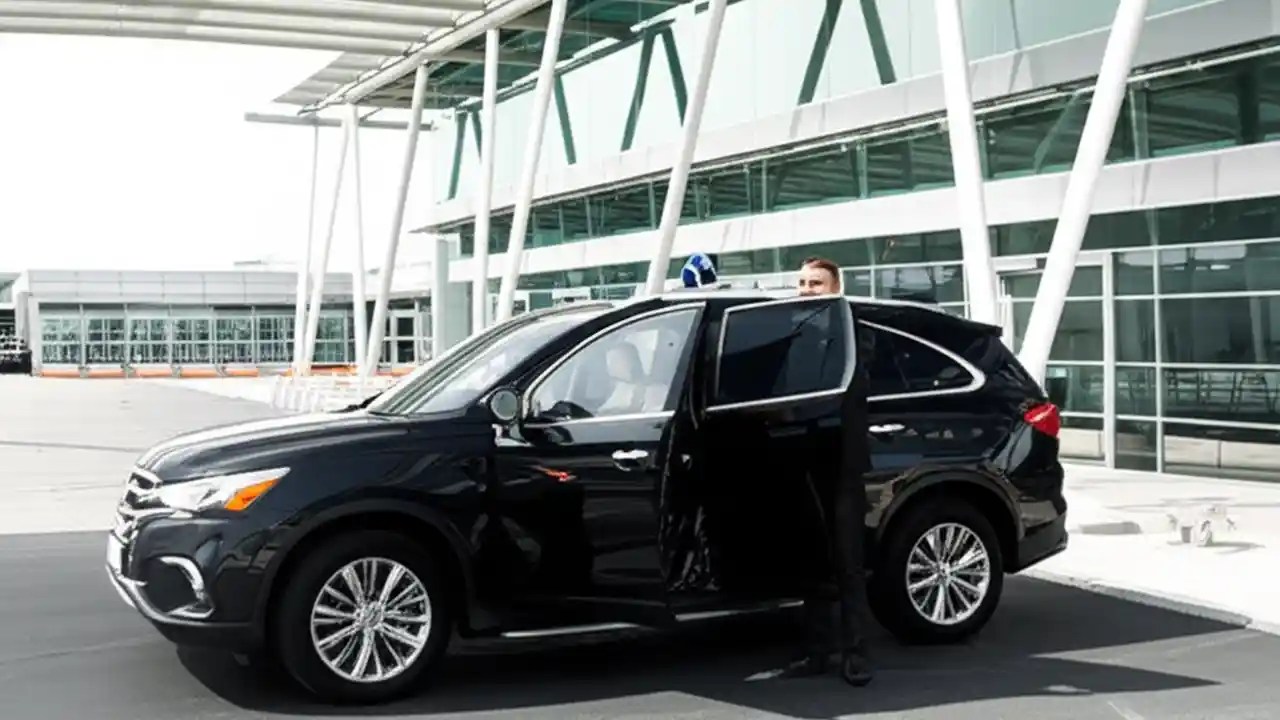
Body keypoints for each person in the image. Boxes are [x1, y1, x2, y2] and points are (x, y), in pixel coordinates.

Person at [779, 255, 874, 687]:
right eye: (802, 283)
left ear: (836, 288)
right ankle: (817, 652)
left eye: (815, 283)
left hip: (842, 461)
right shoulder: (791, 334)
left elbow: (852, 386)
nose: (806, 290)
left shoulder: (854, 331)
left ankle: (856, 655)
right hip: (804, 458)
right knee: (811, 560)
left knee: (848, 561)